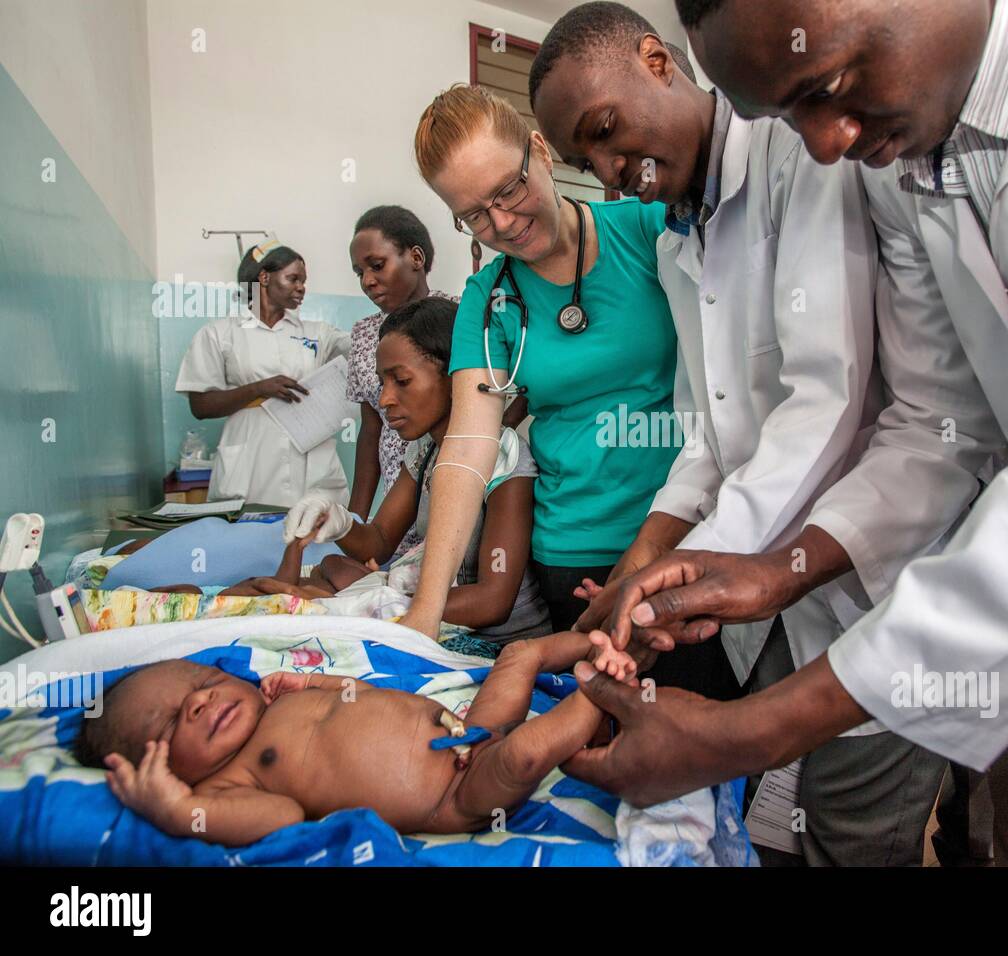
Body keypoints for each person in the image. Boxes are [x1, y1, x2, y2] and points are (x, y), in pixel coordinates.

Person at [565, 0, 1008, 866]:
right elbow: (939, 428)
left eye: (827, 87)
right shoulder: (902, 158)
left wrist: (746, 734)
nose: (825, 143)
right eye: (785, 117)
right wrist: (774, 569)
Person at [530, 1, 1002, 865]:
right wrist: (645, 559)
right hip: (779, 591)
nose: (608, 169)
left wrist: (714, 568)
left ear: (657, 60)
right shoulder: (680, 244)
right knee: (783, 820)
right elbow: (706, 435)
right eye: (584, 161)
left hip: (878, 570)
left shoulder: (804, 156)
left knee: (854, 827)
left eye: (605, 130)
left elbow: (828, 399)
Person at [397, 84, 739, 698]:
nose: (501, 223)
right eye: (474, 214)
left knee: (699, 730)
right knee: (600, 738)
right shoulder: (488, 298)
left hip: (684, 535)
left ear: (539, 151)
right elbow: (470, 447)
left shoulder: (649, 228)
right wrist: (426, 613)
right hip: (571, 555)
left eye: (508, 190)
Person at [76, 632, 639, 845]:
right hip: (454, 794)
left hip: (467, 730)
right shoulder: (227, 782)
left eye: (203, 683)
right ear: (166, 772)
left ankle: (602, 642)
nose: (200, 701)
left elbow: (356, 694)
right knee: (526, 753)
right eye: (174, 722)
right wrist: (182, 811)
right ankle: (604, 690)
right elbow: (281, 819)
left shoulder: (280, 696)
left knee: (520, 654)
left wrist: (313, 680)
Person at [283, 297, 551, 642]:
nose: (384, 399)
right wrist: (339, 522)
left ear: (456, 376)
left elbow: (492, 602)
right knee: (331, 572)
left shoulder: (506, 458)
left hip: (496, 642)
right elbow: (378, 543)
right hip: (441, 623)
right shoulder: (424, 452)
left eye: (402, 381)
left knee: (328, 602)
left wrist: (386, 601)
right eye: (383, 383)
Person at [176, 241, 351, 508]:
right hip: (250, 462)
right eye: (293, 278)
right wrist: (258, 389)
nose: (301, 287)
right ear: (265, 277)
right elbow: (200, 406)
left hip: (309, 455)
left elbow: (365, 347)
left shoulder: (318, 333)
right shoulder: (220, 334)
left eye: (304, 281)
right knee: (248, 537)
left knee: (315, 533)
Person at [345, 205, 460, 558]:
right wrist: (353, 518)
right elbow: (370, 431)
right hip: (397, 500)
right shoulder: (365, 334)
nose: (367, 280)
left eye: (376, 265)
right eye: (359, 272)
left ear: (415, 257)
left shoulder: (460, 317)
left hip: (453, 484)